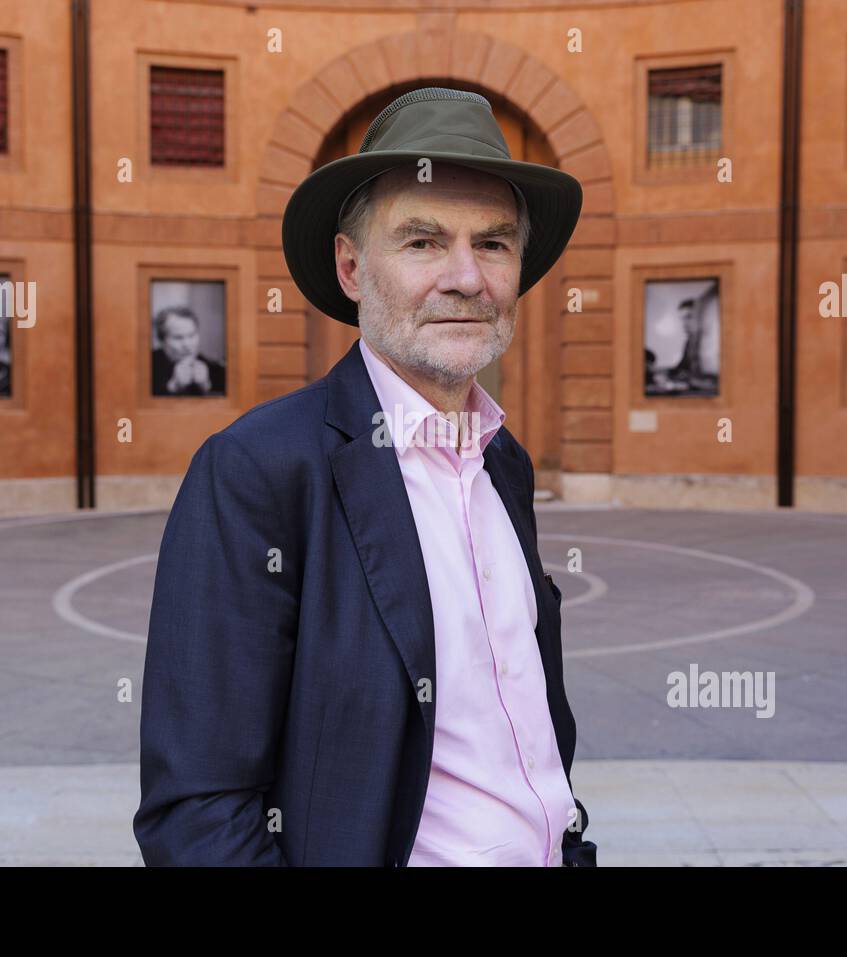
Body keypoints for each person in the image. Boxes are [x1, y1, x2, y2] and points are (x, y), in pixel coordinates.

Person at [135, 87, 597, 867]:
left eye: (492, 244)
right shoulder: (259, 470)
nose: (466, 278)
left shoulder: (503, 462)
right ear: (351, 267)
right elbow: (198, 816)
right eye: (421, 242)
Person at [151, 305, 226, 396]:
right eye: (178, 338)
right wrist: (173, 387)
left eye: (191, 335)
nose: (187, 345)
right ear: (161, 340)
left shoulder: (213, 367)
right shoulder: (146, 367)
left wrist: (206, 386)